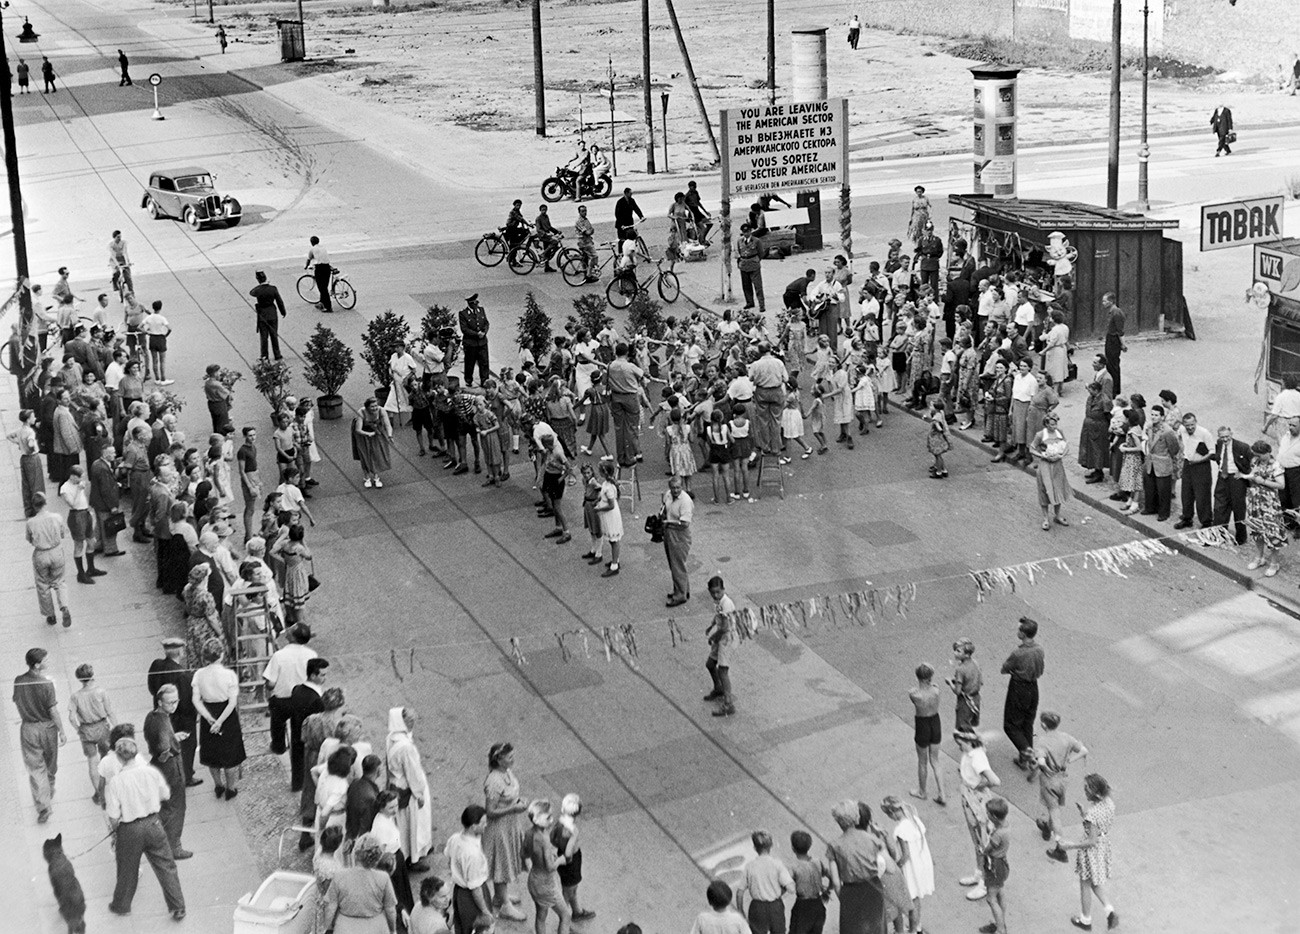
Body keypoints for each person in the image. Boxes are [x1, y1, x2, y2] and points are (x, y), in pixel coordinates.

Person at [104, 737, 187, 919]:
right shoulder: (151, 772)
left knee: (127, 869)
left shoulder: (116, 782)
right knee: (166, 866)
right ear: (136, 753)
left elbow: (113, 814)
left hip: (129, 828)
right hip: (153, 823)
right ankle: (178, 906)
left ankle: (121, 905)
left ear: (118, 758)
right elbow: (165, 794)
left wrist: (115, 830)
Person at [1059, 773, 1119, 931]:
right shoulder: (1109, 804)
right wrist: (1084, 814)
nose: (1085, 791)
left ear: (1096, 792)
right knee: (1094, 882)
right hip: (1103, 846)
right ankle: (1109, 911)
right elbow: (1099, 827)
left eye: (1087, 789)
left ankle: (1085, 919)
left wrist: (1070, 845)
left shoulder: (1093, 814)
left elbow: (1091, 840)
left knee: (1085, 883)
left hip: (1091, 851)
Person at [13, 647, 66, 823]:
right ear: (37, 665)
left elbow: (17, 701)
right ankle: (48, 790)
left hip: (28, 728)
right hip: (47, 728)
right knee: (50, 764)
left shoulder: (18, 680)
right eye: (45, 660)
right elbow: (53, 710)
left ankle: (43, 805)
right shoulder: (46, 684)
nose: (48, 662)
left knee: (35, 769)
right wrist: (61, 730)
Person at [1030, 710, 1089, 863]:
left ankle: (1060, 848)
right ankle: (1046, 828)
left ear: (1043, 724)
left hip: (1049, 780)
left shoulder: (1042, 741)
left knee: (1055, 813)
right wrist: (1070, 760)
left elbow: (1041, 762)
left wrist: (1045, 769)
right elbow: (1084, 750)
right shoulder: (1066, 738)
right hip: (1062, 779)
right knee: (1054, 806)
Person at [192, 638, 247, 799]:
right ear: (221, 655)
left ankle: (218, 785)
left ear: (204, 656)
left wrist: (209, 718)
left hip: (208, 711)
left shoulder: (199, 674)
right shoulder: (229, 674)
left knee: (212, 753)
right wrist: (220, 722)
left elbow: (196, 700)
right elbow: (232, 703)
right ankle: (231, 788)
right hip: (226, 716)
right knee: (230, 755)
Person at [144, 684, 193, 859]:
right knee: (177, 806)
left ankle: (159, 842)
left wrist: (174, 737)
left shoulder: (151, 717)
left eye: (176, 701)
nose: (174, 706)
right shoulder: (164, 721)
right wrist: (173, 746)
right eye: (170, 702)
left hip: (157, 766)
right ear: (159, 701)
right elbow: (164, 748)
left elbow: (155, 741)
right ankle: (175, 847)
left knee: (164, 806)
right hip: (171, 767)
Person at [483, 742, 530, 920]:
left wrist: (519, 801)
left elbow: (510, 795)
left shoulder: (507, 772)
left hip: (510, 825)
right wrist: (513, 809)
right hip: (499, 829)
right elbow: (490, 811)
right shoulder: (494, 781)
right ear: (499, 759)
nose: (513, 759)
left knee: (505, 862)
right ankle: (505, 906)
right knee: (501, 865)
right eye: (509, 757)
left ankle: (499, 896)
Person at [825, 799, 886, 934]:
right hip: (873, 888)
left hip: (851, 891)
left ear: (838, 822)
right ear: (857, 818)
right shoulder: (872, 839)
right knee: (876, 926)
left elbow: (836, 881)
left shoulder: (835, 846)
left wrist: (845, 898)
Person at [148, 637, 202, 785]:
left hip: (162, 713)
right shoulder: (183, 674)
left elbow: (152, 688)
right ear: (180, 651)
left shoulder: (156, 665)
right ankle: (186, 777)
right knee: (187, 746)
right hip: (181, 718)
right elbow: (186, 702)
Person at [954, 731, 1000, 902]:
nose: (959, 747)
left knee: (984, 843)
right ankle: (979, 873)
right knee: (977, 842)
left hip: (977, 801)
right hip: (969, 799)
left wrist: (976, 784)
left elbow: (995, 781)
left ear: (968, 741)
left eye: (960, 743)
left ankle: (984, 883)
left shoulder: (977, 757)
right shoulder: (970, 753)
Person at [323, 833, 399, 934]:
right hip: (375, 927)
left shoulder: (339, 876)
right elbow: (390, 910)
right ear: (376, 858)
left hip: (346, 928)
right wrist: (393, 930)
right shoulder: (383, 878)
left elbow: (330, 908)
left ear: (356, 853)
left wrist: (326, 929)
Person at [387, 706, 434, 871]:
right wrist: (419, 794)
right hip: (409, 788)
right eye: (409, 721)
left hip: (396, 783)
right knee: (413, 824)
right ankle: (413, 858)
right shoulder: (406, 747)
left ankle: (415, 851)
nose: (412, 723)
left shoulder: (392, 738)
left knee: (403, 824)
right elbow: (412, 773)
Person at [879, 797, 934, 934]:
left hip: (911, 867)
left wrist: (897, 866)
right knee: (917, 898)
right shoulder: (914, 819)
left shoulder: (901, 829)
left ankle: (913, 930)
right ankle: (917, 925)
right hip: (922, 861)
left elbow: (905, 855)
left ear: (893, 812)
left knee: (912, 900)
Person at [1001, 617, 1046, 769]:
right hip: (1033, 688)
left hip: (1018, 688)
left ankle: (1029, 756)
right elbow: (1041, 669)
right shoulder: (1039, 650)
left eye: (1019, 629)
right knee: (1027, 723)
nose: (1017, 631)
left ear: (1023, 633)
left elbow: (1005, 668)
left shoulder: (1018, 653)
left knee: (1011, 726)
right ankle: (1024, 760)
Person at [446, 805, 495, 934]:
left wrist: (458, 872)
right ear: (473, 826)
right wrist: (485, 911)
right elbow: (475, 888)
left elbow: (449, 859)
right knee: (478, 929)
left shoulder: (455, 838)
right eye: (483, 823)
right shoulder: (472, 854)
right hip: (471, 897)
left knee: (462, 927)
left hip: (459, 892)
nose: (486, 825)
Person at [525, 799, 571, 934]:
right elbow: (550, 867)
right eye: (548, 817)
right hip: (546, 885)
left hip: (534, 880)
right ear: (537, 820)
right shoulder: (544, 840)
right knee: (565, 915)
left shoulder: (529, 833)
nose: (552, 820)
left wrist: (547, 856)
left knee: (541, 916)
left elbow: (525, 853)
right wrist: (561, 860)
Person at [27, 492, 73, 628]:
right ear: (45, 503)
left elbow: (30, 539)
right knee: (60, 581)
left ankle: (50, 615)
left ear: (34, 506)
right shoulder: (56, 517)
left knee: (42, 585)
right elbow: (63, 533)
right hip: (56, 551)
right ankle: (64, 606)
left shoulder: (31, 523)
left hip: (41, 554)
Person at [1245, 439, 1288, 577]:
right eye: (1255, 454)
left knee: (1272, 531)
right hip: (1255, 500)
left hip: (1270, 503)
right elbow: (1252, 475)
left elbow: (1281, 485)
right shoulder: (1255, 462)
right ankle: (1259, 558)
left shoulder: (1275, 465)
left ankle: (1274, 563)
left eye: (1260, 454)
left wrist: (1263, 481)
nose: (1257, 457)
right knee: (1257, 530)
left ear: (1267, 452)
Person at [551, 793, 593, 921]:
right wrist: (567, 858)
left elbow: (552, 838)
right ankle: (564, 921)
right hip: (572, 861)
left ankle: (577, 911)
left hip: (561, 854)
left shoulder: (559, 823)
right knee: (569, 891)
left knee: (571, 888)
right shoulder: (572, 830)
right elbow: (568, 853)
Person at [907, 663, 945, 804]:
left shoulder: (914, 694)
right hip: (935, 723)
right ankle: (942, 792)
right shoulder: (936, 690)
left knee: (922, 761)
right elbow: (934, 686)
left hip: (922, 725)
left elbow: (913, 695)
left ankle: (922, 791)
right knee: (935, 760)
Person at [744, 829, 794, 934]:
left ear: (754, 848)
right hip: (775, 906)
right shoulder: (777, 864)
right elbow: (791, 888)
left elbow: (740, 892)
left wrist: (740, 910)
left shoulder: (749, 866)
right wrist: (781, 892)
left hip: (757, 907)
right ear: (771, 846)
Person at [1175, 412, 1216, 529]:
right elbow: (1179, 437)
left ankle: (1206, 521)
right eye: (1187, 425)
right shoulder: (1182, 430)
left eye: (1192, 424)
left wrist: (1198, 461)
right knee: (1186, 493)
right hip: (1188, 464)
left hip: (1201, 466)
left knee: (1202, 495)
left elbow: (1212, 452)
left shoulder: (1204, 433)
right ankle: (1187, 518)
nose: (1190, 427)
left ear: (1196, 422)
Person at [1031, 411, 1072, 530]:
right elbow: (1032, 448)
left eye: (1055, 424)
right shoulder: (1040, 435)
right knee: (1045, 491)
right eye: (1052, 425)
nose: (1054, 427)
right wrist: (1043, 456)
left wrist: (1062, 455)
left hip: (1057, 465)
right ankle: (1045, 518)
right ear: (1046, 424)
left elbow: (1066, 445)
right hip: (1045, 465)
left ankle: (1057, 515)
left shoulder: (1059, 432)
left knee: (1057, 489)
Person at [1140, 406, 1182, 522]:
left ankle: (1164, 513)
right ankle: (1150, 508)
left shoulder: (1167, 431)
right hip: (1150, 461)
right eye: (1152, 414)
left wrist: (1165, 456)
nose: (1153, 417)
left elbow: (1175, 448)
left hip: (1162, 462)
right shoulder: (1149, 427)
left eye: (1156, 415)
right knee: (1150, 487)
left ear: (1162, 417)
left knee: (1163, 489)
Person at [703, 575, 737, 717]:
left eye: (718, 592)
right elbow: (718, 616)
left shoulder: (727, 603)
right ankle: (718, 688)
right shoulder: (718, 602)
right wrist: (711, 625)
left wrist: (713, 637)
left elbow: (725, 627)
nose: (716, 595)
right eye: (713, 593)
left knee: (723, 670)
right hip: (720, 636)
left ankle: (728, 703)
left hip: (726, 639)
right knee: (710, 664)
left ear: (723, 589)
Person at [1214, 425, 1252, 545]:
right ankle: (1219, 534)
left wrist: (1244, 474)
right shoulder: (1219, 444)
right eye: (1222, 437)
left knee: (1238, 507)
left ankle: (1241, 537)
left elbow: (1251, 463)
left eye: (1227, 436)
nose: (1225, 439)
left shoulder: (1243, 447)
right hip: (1223, 477)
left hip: (1236, 479)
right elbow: (1218, 458)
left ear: (1231, 434)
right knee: (1220, 506)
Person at [788, 830, 829, 934]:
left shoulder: (794, 867)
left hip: (802, 906)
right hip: (818, 904)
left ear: (793, 848)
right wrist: (828, 889)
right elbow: (830, 875)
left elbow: (786, 885)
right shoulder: (817, 862)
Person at [980, 797, 1010, 934]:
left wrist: (982, 851)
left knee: (991, 898)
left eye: (988, 814)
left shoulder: (998, 834)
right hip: (1002, 865)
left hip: (995, 866)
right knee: (1000, 892)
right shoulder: (1005, 827)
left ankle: (1000, 929)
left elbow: (988, 849)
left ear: (994, 817)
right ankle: (1001, 922)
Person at [662, 475, 693, 606]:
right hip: (669, 532)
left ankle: (680, 595)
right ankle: (683, 589)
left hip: (679, 534)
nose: (675, 490)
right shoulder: (668, 495)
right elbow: (664, 507)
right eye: (673, 488)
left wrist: (668, 523)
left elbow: (685, 523)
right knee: (674, 563)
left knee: (677, 565)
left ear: (682, 487)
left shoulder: (685, 501)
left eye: (678, 488)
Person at [353, 397, 394, 488]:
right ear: (367, 407)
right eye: (372, 406)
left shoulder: (381, 411)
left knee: (377, 453)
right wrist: (368, 434)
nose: (375, 408)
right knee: (365, 455)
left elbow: (387, 424)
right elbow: (358, 430)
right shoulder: (361, 412)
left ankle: (376, 477)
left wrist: (390, 435)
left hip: (376, 432)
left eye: (376, 406)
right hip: (363, 434)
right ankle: (367, 477)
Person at [594, 460, 623, 576]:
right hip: (608, 516)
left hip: (610, 516)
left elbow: (611, 505)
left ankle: (615, 565)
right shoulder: (607, 484)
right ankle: (616, 560)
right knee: (612, 540)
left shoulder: (609, 487)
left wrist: (599, 509)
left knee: (614, 540)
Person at [250, 270, 286, 360]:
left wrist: (261, 285)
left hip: (262, 315)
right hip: (272, 313)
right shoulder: (273, 288)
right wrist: (283, 311)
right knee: (274, 335)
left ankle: (264, 355)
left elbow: (251, 292)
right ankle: (277, 354)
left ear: (258, 280)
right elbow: (279, 301)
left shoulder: (257, 290)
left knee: (264, 337)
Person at [460, 294, 490, 387]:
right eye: (474, 303)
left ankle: (484, 380)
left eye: (477, 302)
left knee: (484, 362)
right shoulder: (463, 314)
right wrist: (477, 334)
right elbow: (464, 329)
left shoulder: (481, 310)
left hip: (482, 342)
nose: (476, 305)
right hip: (471, 343)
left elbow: (486, 323)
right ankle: (468, 380)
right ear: (470, 303)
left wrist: (484, 332)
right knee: (470, 363)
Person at [737, 223, 765, 312]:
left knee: (758, 286)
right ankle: (749, 302)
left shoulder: (756, 241)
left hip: (754, 265)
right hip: (744, 265)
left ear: (751, 231)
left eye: (748, 231)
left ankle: (761, 304)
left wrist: (756, 260)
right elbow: (739, 252)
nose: (746, 234)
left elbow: (761, 253)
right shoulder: (740, 241)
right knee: (746, 286)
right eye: (744, 232)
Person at [1100, 293, 1125, 394]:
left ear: (1110, 302)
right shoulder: (1111, 311)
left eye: (1105, 301)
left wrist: (1123, 344)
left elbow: (1120, 330)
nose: (1103, 303)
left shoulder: (1116, 313)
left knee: (1113, 364)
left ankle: (1115, 390)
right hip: (1110, 338)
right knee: (1109, 363)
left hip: (1114, 340)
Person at [306, 235, 333, 312]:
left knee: (322, 288)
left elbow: (309, 259)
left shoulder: (312, 249)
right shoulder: (323, 248)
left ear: (311, 242)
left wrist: (306, 266)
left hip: (320, 269)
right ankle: (321, 303)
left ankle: (328, 307)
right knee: (324, 286)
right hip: (327, 267)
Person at [574, 205, 599, 281]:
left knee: (586, 258)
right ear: (579, 212)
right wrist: (590, 231)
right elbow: (587, 232)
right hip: (584, 242)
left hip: (588, 241)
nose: (585, 212)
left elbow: (591, 229)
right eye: (583, 211)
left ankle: (587, 272)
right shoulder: (579, 221)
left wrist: (590, 231)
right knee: (594, 256)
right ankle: (589, 275)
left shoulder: (586, 219)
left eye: (585, 211)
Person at [685, 180, 713, 245]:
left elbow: (698, 203)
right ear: (689, 187)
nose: (694, 188)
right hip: (693, 213)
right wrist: (688, 211)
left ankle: (702, 238)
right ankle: (701, 241)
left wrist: (706, 212)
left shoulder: (696, 193)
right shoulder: (687, 195)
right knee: (702, 228)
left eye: (695, 187)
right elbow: (683, 205)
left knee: (709, 223)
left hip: (698, 211)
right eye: (693, 187)